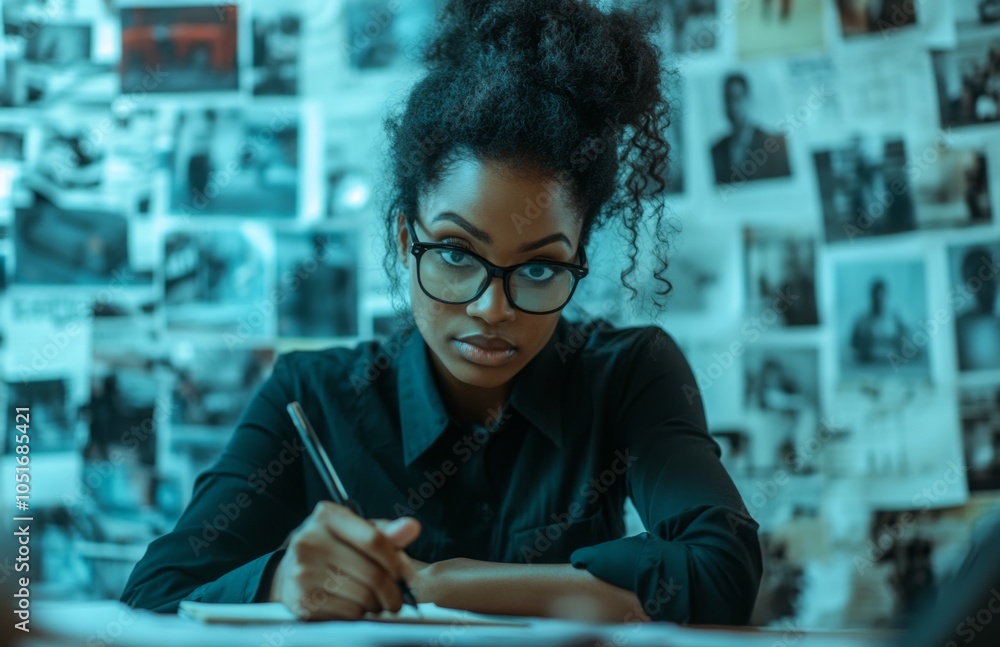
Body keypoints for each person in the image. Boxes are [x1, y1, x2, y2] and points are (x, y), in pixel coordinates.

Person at [120, 0, 762, 624]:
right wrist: (278, 579)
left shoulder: (628, 375)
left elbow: (721, 571)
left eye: (539, 268)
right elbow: (156, 590)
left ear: (579, 258)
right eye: (456, 253)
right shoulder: (310, 395)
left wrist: (439, 581)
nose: (491, 308)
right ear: (406, 240)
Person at [710, 72, 791, 185]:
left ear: (749, 101)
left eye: (737, 99)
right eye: (728, 100)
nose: (733, 107)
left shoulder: (775, 147)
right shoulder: (716, 151)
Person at [955, 246, 1000, 372]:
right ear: (966, 283)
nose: (984, 286)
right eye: (975, 280)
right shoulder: (959, 328)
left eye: (988, 275)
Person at [850, 278, 910, 365]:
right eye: (875, 296)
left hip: (893, 368)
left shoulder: (896, 320)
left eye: (881, 296)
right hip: (868, 369)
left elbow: (906, 346)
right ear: (871, 296)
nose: (878, 300)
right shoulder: (861, 323)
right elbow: (854, 348)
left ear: (885, 296)